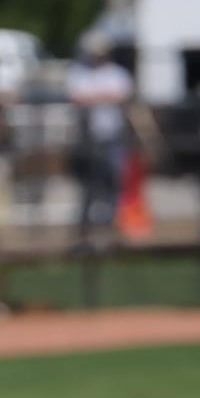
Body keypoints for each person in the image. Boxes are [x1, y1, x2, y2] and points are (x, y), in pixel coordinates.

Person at [67, 33, 137, 243]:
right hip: (88, 137)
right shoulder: (80, 73)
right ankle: (84, 230)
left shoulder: (117, 74)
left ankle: (112, 225)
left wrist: (96, 97)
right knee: (88, 185)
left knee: (113, 181)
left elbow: (121, 95)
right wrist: (103, 96)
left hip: (113, 136)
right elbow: (78, 97)